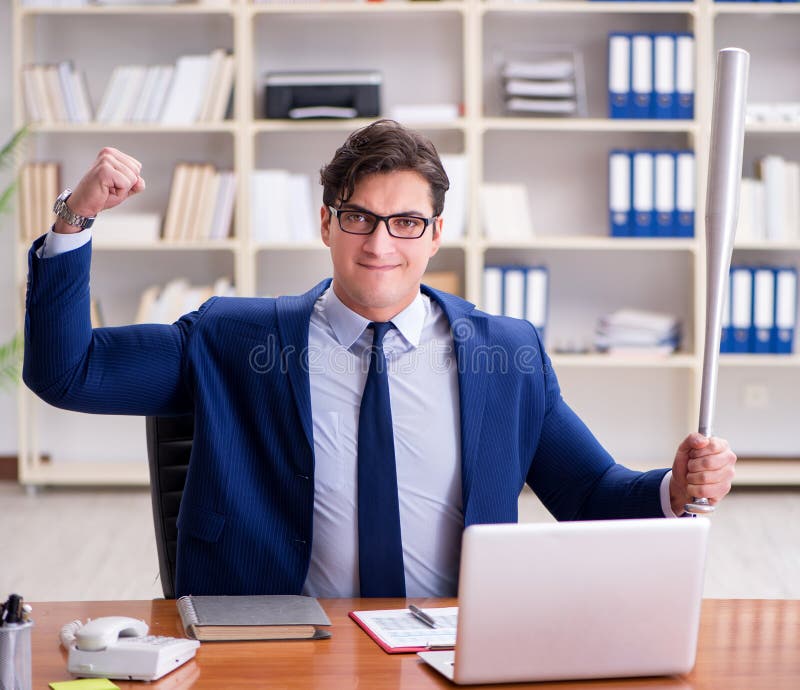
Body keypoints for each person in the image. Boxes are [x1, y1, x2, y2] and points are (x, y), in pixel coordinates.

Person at [23, 120, 736, 598]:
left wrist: (674, 489)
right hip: (278, 649)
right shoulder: (232, 339)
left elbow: (592, 495)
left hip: (452, 648)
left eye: (406, 222)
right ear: (327, 223)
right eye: (359, 216)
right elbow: (67, 372)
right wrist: (74, 220)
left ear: (436, 235)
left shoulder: (507, 354)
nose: (380, 243)